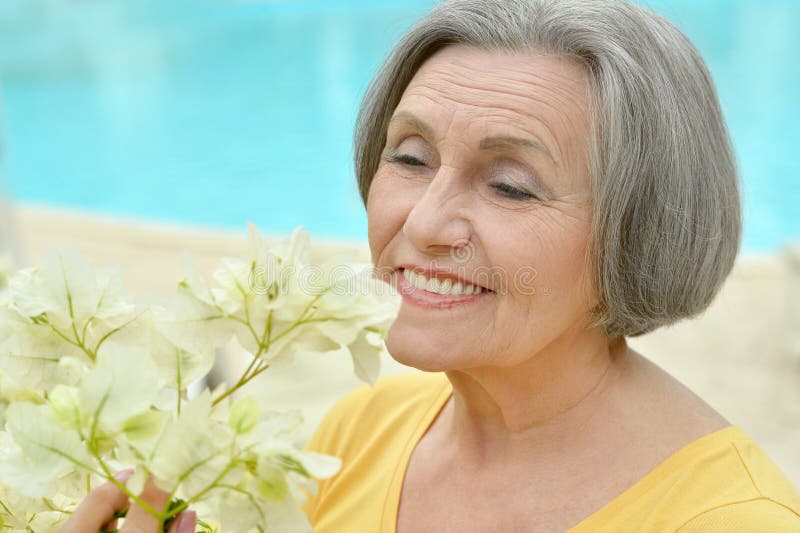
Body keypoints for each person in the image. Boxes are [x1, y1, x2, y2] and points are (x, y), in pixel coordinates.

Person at [66, 0, 800, 531]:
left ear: (637, 232)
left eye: (509, 184)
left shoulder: (735, 520)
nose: (420, 223)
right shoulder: (358, 434)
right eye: (410, 158)